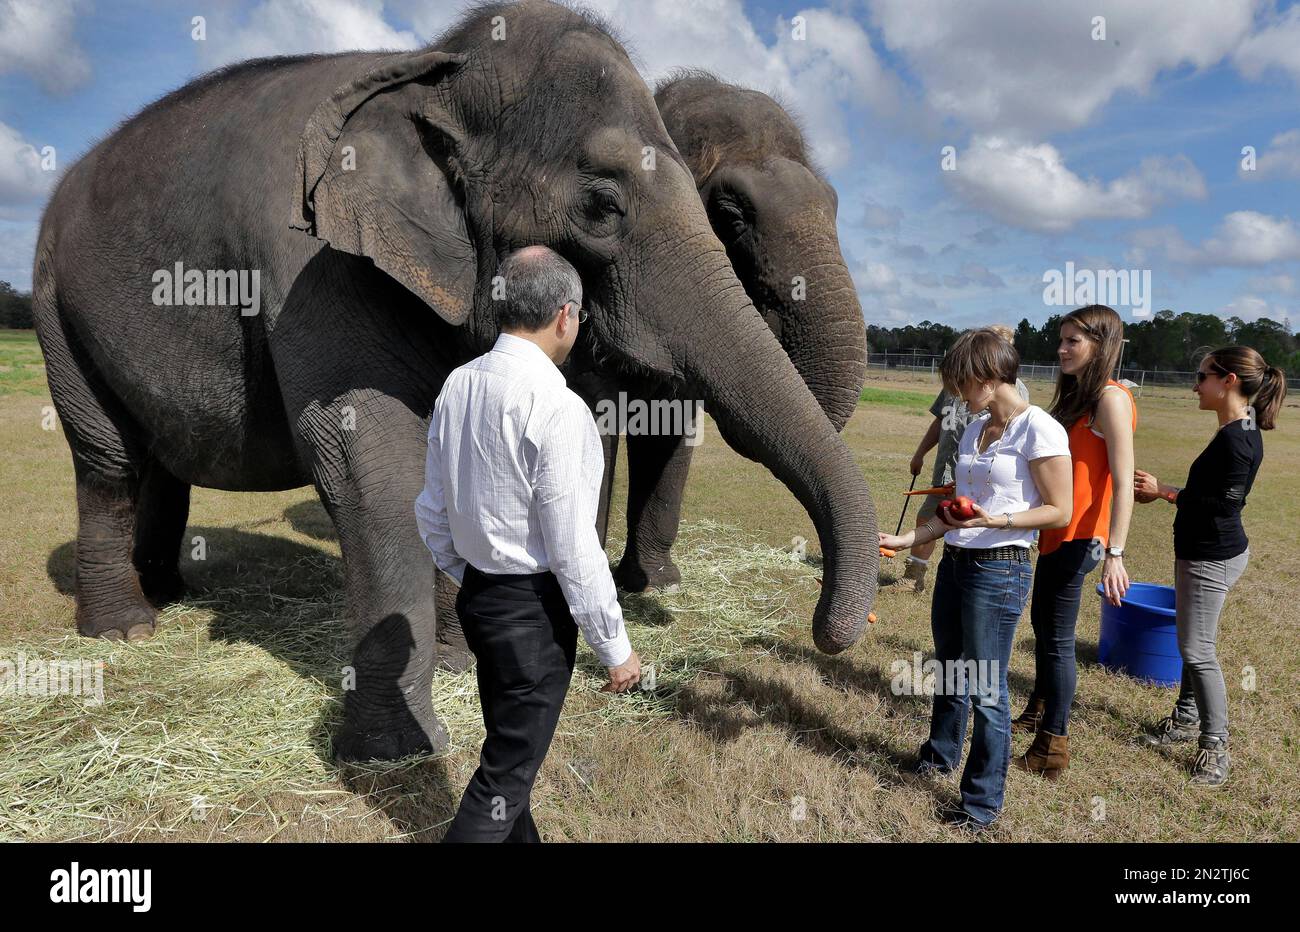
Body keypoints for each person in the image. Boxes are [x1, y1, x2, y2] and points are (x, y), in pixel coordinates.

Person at [415, 245, 642, 842]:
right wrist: (614, 646)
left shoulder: (458, 385)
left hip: (481, 602)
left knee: (510, 756)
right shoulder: (559, 408)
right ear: (566, 316)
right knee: (504, 777)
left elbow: (432, 509)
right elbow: (574, 549)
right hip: (532, 618)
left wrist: (472, 577)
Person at [880, 329, 1072, 830]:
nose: (958, 394)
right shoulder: (974, 428)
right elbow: (953, 511)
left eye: (962, 383)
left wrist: (997, 522)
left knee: (987, 686)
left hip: (1001, 568)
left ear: (988, 377)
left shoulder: (1040, 429)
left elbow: (1059, 510)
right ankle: (938, 755)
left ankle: (980, 804)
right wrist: (909, 539)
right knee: (949, 668)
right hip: (958, 564)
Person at [1133, 346, 1285, 787]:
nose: (1195, 384)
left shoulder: (1238, 439)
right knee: (1192, 640)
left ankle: (1215, 747)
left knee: (1198, 651)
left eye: (1202, 376)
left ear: (1228, 381)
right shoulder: (1239, 427)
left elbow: (1224, 504)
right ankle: (1184, 718)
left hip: (1211, 558)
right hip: (1204, 551)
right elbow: (1217, 494)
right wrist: (1172, 492)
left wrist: (1167, 492)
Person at [1012, 305, 1136, 779]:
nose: (1061, 349)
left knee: (1058, 639)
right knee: (1044, 627)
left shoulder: (1111, 398)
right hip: (1056, 533)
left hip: (1083, 537)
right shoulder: (1077, 397)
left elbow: (1122, 482)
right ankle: (1038, 711)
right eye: (1061, 340)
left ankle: (1052, 747)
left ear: (1101, 346)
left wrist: (1116, 553)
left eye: (1073, 342)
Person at [901, 324, 1028, 593]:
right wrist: (920, 452)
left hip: (981, 480)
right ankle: (914, 576)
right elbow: (940, 421)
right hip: (947, 470)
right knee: (929, 517)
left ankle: (988, 579)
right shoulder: (957, 382)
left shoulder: (1014, 393)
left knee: (968, 525)